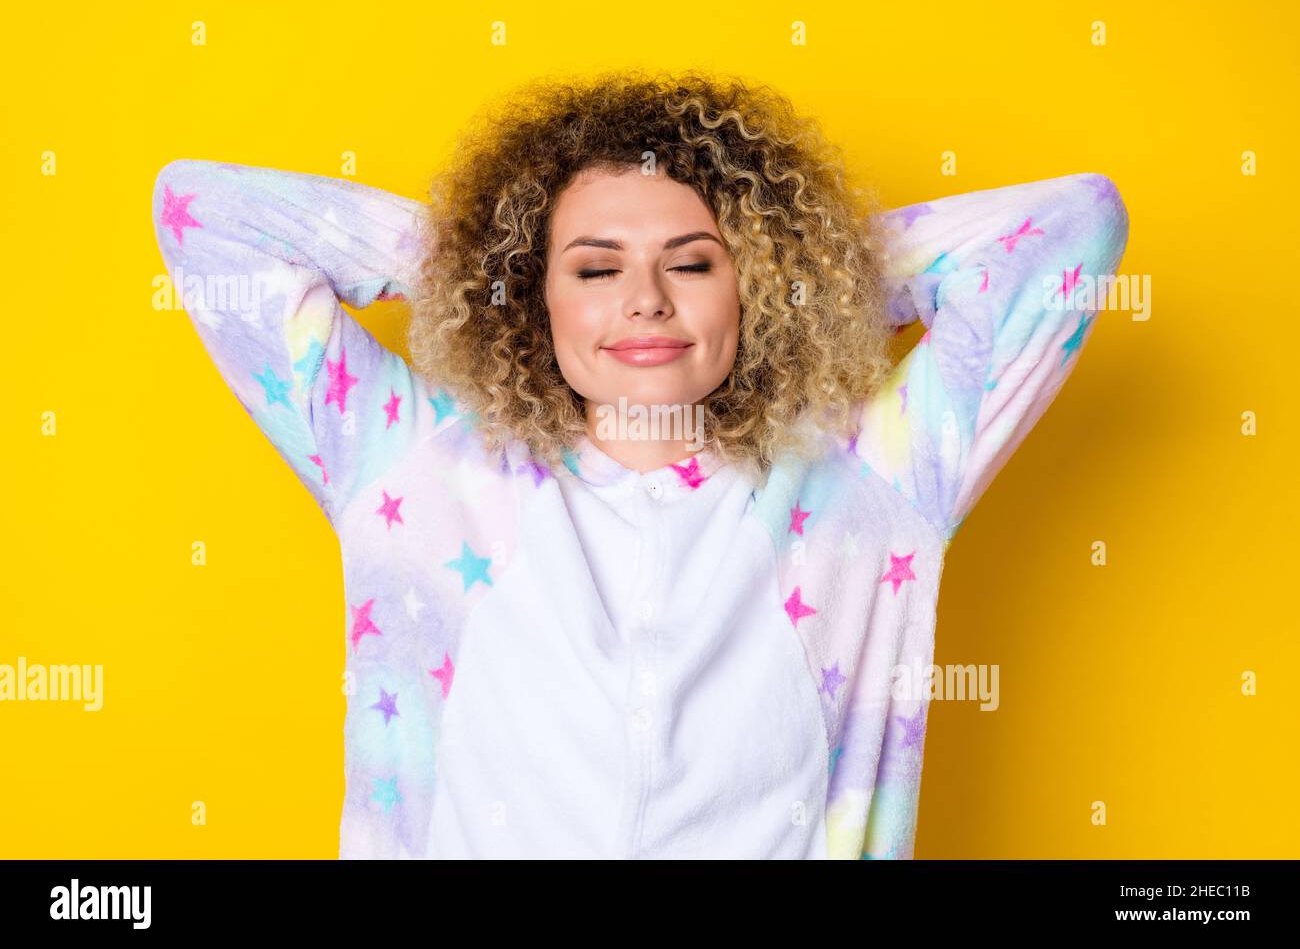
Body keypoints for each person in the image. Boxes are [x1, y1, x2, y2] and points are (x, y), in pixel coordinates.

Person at [150, 70, 1129, 859]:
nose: (646, 299)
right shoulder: (414, 459)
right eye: (594, 266)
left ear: (753, 284)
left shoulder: (870, 482)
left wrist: (808, 270)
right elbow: (204, 210)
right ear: (536, 290)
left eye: (694, 261)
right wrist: (485, 261)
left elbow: (1072, 226)